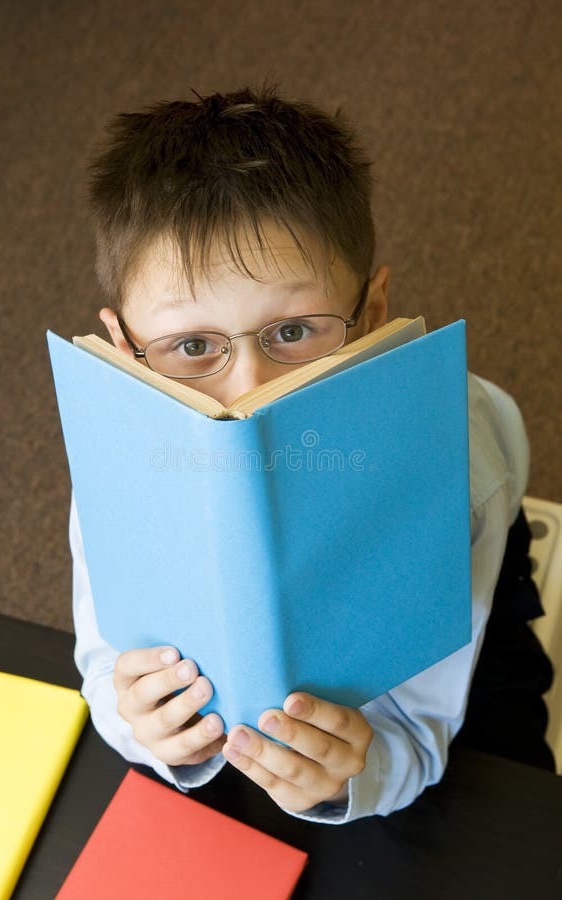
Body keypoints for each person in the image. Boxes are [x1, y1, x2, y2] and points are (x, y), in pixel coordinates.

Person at [71, 82, 555, 824]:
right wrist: (149, 730)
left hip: (464, 583)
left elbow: (421, 736)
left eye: (292, 331)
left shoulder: (460, 469)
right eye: (192, 346)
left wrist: (352, 780)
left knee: (504, 792)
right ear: (124, 350)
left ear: (371, 311)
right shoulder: (123, 449)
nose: (250, 389)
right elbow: (105, 665)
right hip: (248, 701)